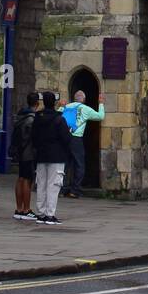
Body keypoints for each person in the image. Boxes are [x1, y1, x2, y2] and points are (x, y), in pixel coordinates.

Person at [31, 91, 72, 225]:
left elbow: (33, 137)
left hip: (41, 155)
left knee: (41, 184)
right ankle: (50, 214)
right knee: (53, 185)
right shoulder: (59, 119)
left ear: (43, 102)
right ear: (54, 103)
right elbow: (66, 138)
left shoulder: (38, 117)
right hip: (56, 155)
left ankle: (41, 213)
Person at [61, 88, 106, 198]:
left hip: (65, 138)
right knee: (79, 165)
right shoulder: (85, 109)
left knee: (66, 164)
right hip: (76, 139)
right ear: (84, 99)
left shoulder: (66, 107)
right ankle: (74, 190)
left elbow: (58, 116)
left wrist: (60, 106)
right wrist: (101, 103)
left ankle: (63, 189)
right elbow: (100, 116)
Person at [8, 92, 40, 221]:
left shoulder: (20, 115)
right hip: (27, 153)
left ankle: (19, 208)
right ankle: (26, 210)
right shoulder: (32, 118)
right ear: (37, 103)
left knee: (20, 178)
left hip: (19, 151)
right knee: (27, 179)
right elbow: (31, 137)